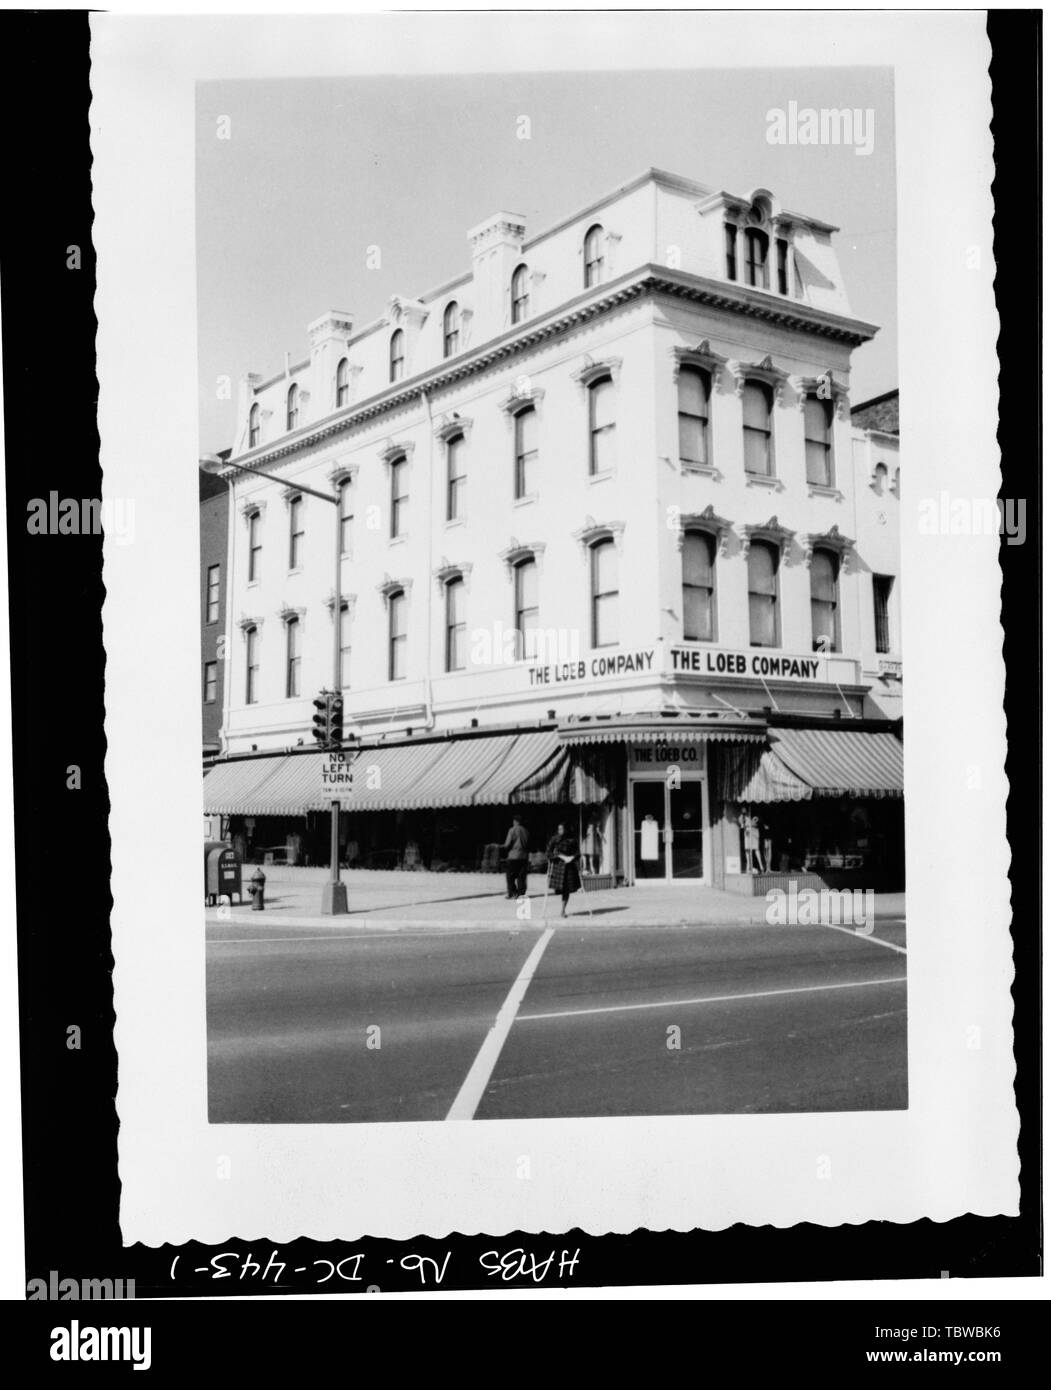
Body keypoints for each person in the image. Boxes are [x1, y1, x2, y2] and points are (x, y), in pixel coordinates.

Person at [546, 823, 581, 918]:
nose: (560, 831)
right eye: (559, 829)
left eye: (562, 829)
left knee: (567, 889)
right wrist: (559, 856)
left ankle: (563, 910)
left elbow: (578, 853)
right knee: (559, 889)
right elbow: (548, 853)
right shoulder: (554, 839)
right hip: (558, 867)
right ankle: (559, 909)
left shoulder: (572, 840)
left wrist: (572, 857)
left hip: (569, 867)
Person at [501, 815, 530, 898]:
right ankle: (521, 893)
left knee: (510, 876)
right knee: (521, 875)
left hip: (513, 856)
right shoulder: (526, 831)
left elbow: (507, 844)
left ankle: (512, 893)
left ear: (515, 821)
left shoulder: (512, 830)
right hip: (524, 856)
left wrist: (502, 847)